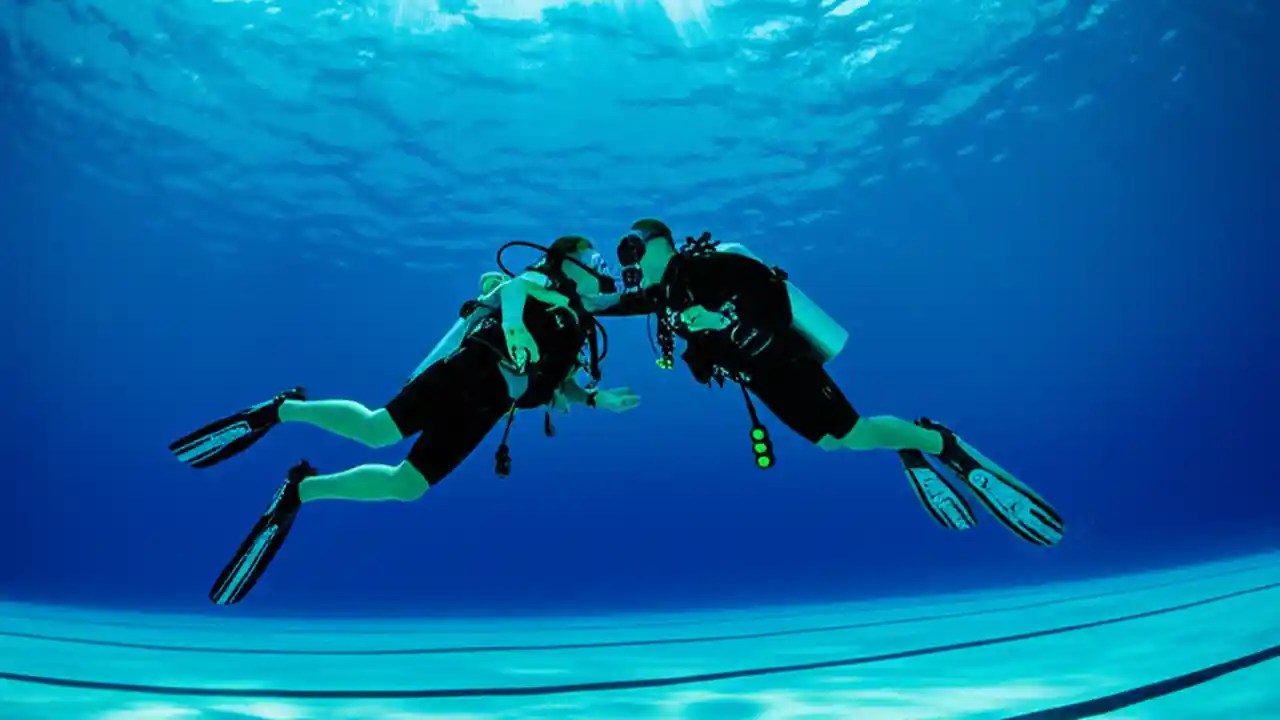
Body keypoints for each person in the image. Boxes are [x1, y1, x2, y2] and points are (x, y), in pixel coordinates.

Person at [169, 236, 641, 604]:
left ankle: (301, 490)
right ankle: (283, 408)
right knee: (377, 430)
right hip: (468, 371)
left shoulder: (577, 325)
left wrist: (599, 400)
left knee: (407, 485)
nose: (600, 267)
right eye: (592, 257)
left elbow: (559, 386)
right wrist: (514, 324)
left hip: (488, 409)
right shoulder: (547, 285)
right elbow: (516, 289)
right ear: (567, 262)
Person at [598, 218, 1064, 547]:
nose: (633, 258)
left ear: (663, 243)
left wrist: (722, 320)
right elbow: (611, 304)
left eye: (638, 246)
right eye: (628, 252)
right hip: (761, 382)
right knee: (833, 443)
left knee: (854, 432)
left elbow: (775, 307)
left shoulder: (713, 267)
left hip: (787, 366)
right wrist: (564, 295)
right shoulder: (664, 297)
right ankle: (906, 444)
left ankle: (939, 442)